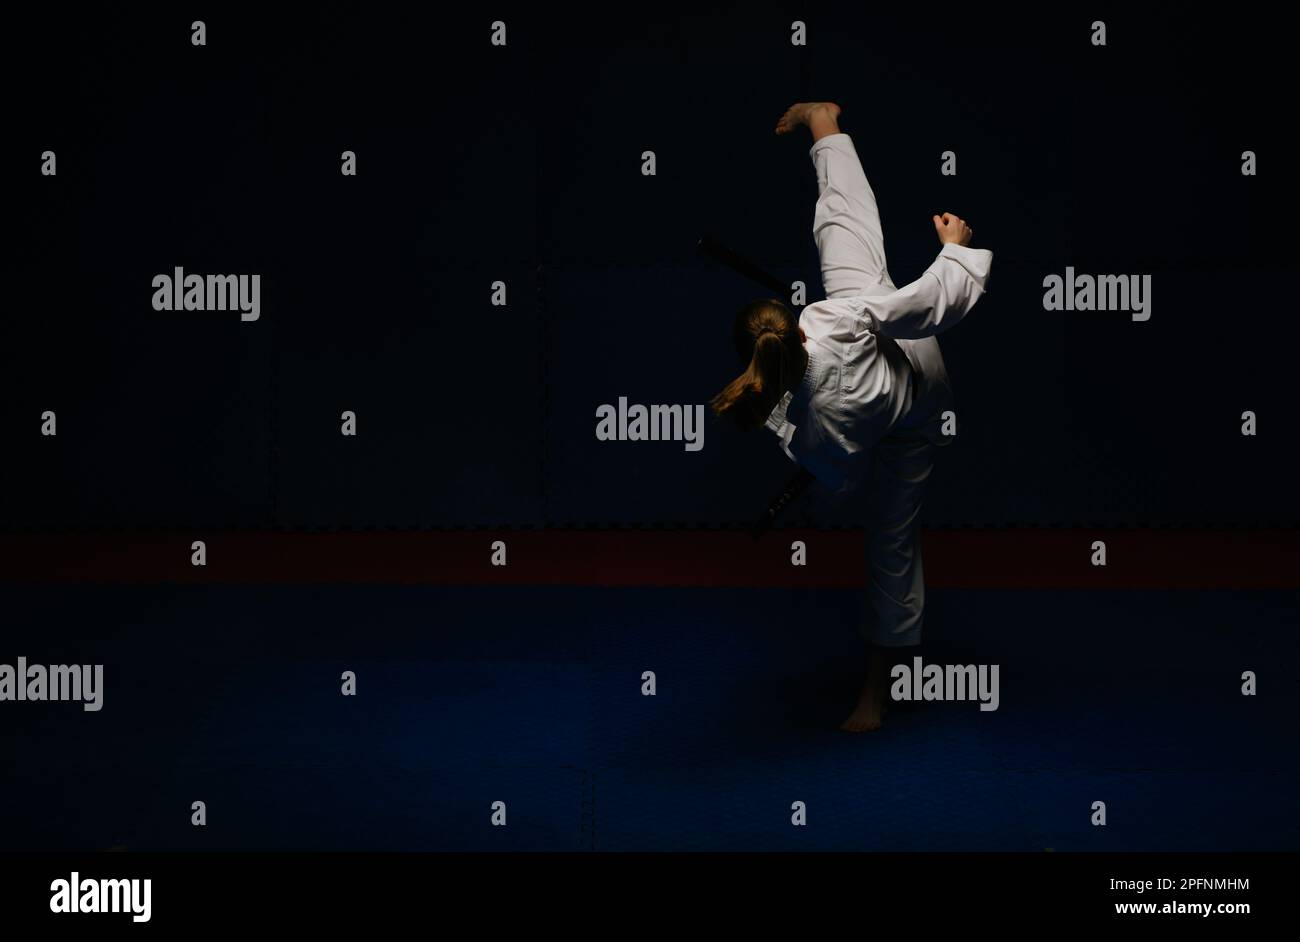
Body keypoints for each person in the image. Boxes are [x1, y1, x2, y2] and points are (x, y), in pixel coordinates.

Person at [710, 102, 994, 731]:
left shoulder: (814, 428)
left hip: (911, 394)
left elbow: (839, 483)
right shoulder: (824, 325)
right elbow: (922, 305)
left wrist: (948, 266)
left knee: (891, 543)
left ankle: (875, 693)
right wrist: (952, 254)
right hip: (904, 371)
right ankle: (822, 121)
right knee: (843, 227)